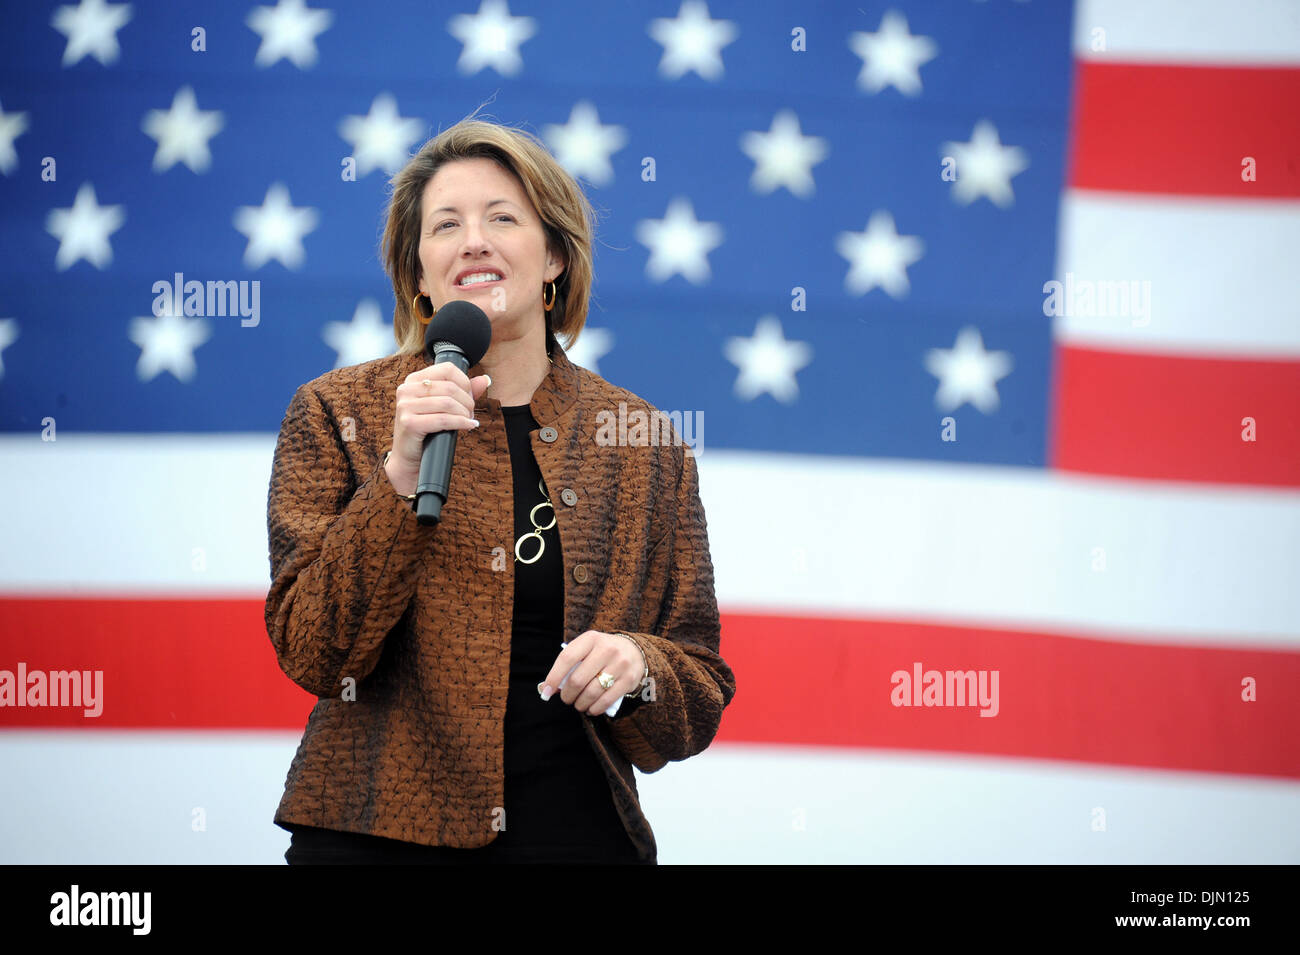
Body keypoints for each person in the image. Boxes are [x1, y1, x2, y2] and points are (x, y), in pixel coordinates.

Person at [264, 114, 736, 864]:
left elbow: (697, 695)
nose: (473, 240)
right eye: (445, 224)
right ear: (419, 274)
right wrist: (397, 480)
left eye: (502, 218)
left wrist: (638, 665)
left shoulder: (641, 439)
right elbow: (315, 652)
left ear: (553, 256)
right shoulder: (337, 411)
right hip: (370, 836)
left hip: (578, 835)